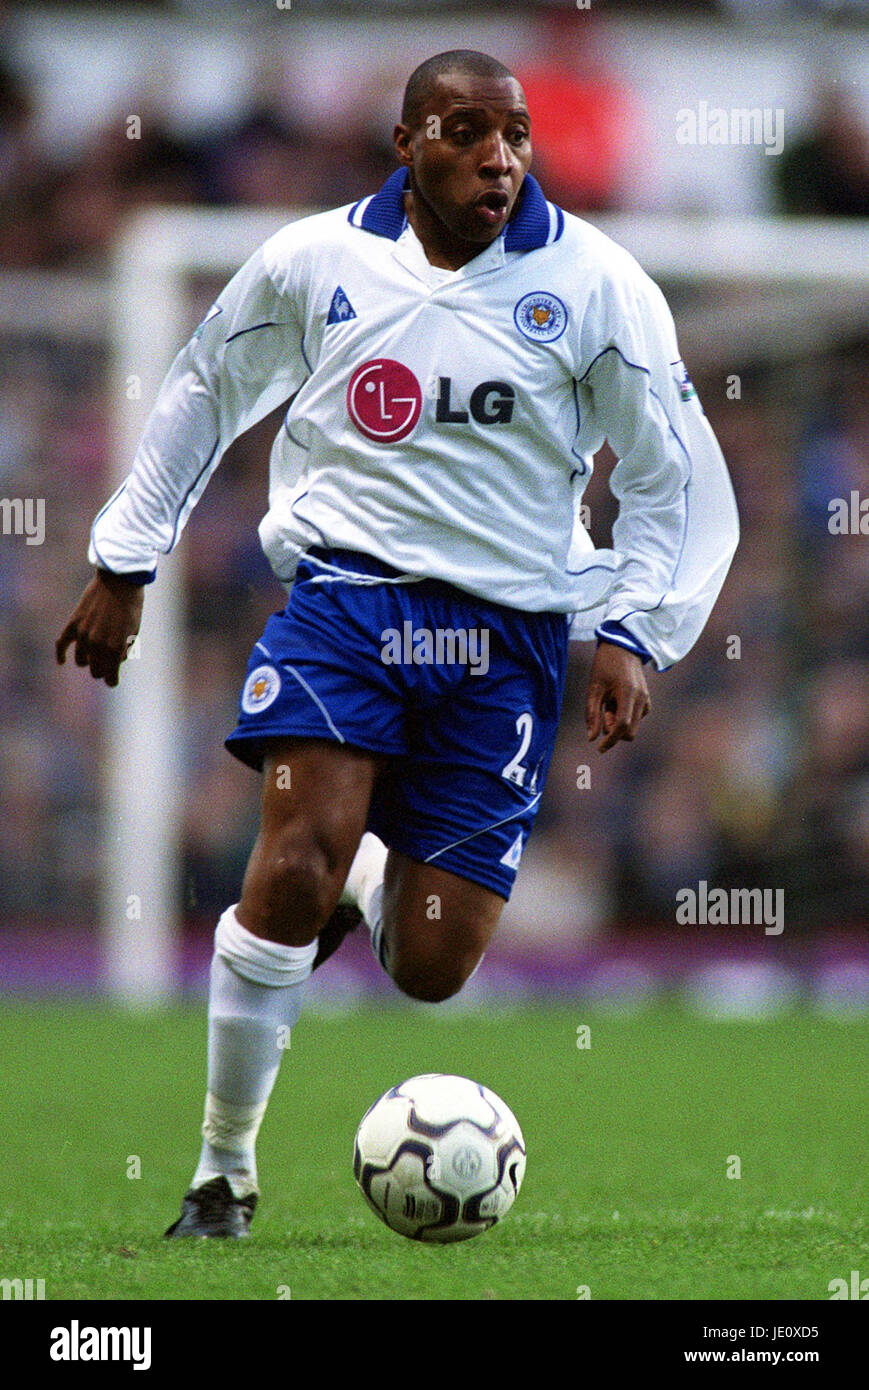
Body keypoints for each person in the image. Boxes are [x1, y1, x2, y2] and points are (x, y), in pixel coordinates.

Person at [56, 50, 738, 1239]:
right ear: (406, 143)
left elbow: (672, 476)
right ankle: (223, 1172)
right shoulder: (314, 262)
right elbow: (202, 389)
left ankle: (376, 870)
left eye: (514, 133)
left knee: (431, 967)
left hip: (507, 632)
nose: (499, 156)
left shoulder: (595, 285)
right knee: (291, 861)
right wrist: (126, 556)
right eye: (466, 131)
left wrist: (635, 628)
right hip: (346, 604)